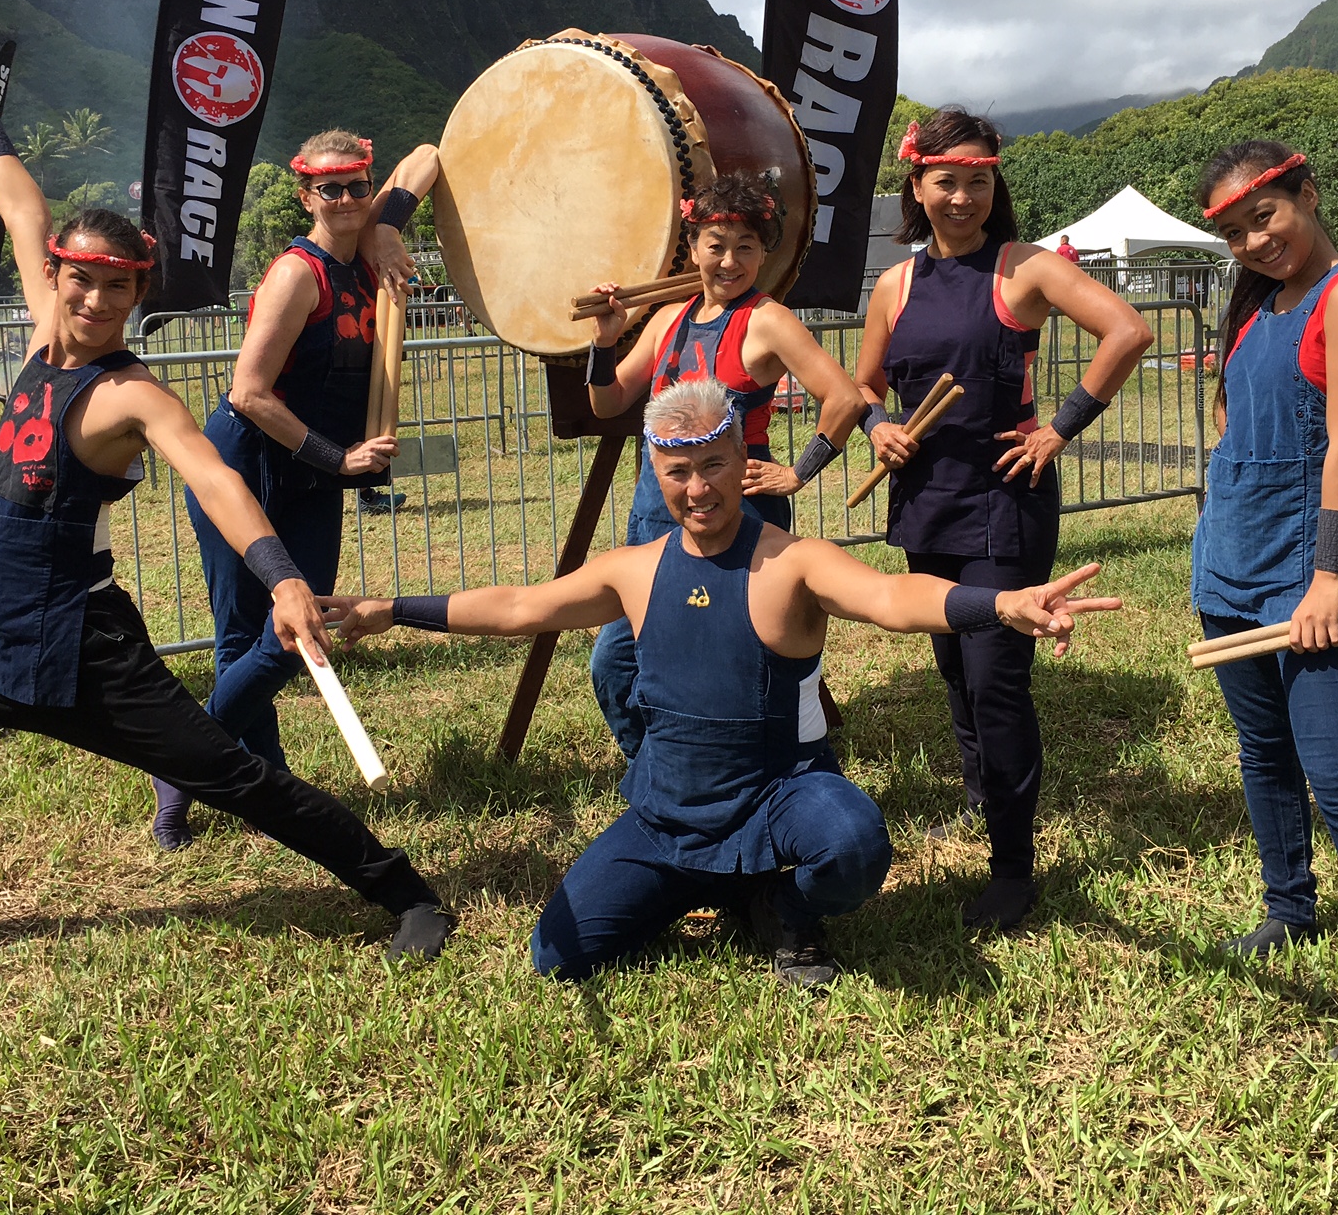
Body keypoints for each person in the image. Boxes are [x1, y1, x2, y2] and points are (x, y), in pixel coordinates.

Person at [0, 69, 453, 964]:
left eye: (120, 289)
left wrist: (285, 577)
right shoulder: (39, 332)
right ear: (56, 276)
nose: (97, 304)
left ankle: (407, 894)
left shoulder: (131, 396)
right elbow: (20, 202)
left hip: (83, 651)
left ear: (136, 295)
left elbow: (215, 477)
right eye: (82, 281)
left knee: (232, 776)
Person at [325, 378, 1120, 987]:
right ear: (656, 474)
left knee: (853, 844)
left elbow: (892, 598)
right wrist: (393, 608)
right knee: (556, 958)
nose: (698, 489)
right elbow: (519, 606)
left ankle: (785, 906)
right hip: (670, 809)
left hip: (781, 792)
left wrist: (1001, 602)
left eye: (714, 466)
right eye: (678, 472)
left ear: (745, 462)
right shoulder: (633, 570)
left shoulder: (792, 562)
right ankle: (706, 888)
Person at [854, 109, 1153, 932]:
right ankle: (991, 812)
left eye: (978, 181)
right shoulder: (897, 284)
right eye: (946, 181)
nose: (962, 197)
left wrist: (1060, 425)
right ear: (916, 185)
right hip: (925, 504)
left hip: (1002, 503)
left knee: (996, 684)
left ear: (995, 184)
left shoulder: (1023, 268)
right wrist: (878, 422)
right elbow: (864, 385)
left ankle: (1013, 868)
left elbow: (1128, 331)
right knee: (955, 678)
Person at [1192, 140, 1338, 1071]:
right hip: (1230, 566)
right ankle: (1288, 910)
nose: (1256, 239)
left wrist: (1329, 577)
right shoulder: (1254, 309)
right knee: (1262, 752)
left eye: (1268, 214)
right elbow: (1231, 433)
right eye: (1236, 231)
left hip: (1309, 570)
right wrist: (1213, 546)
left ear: (1307, 195)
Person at [151, 130, 441, 849]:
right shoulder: (297, 273)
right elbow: (248, 394)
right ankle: (248, 779)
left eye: (357, 187)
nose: (344, 200)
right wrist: (337, 459)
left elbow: (431, 153)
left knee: (293, 630)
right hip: (247, 464)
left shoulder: (367, 250)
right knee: (246, 632)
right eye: (329, 189)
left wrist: (385, 226)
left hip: (311, 470)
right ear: (305, 195)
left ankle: (190, 762)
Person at [581, 170, 866, 755]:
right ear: (692, 248)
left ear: (764, 253)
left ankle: (768, 765)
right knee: (616, 662)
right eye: (716, 246)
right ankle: (661, 766)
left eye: (746, 247)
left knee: (746, 652)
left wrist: (798, 471)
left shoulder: (767, 319)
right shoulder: (666, 320)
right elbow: (607, 400)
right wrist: (603, 342)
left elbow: (844, 397)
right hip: (657, 513)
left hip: (744, 515)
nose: (729, 261)